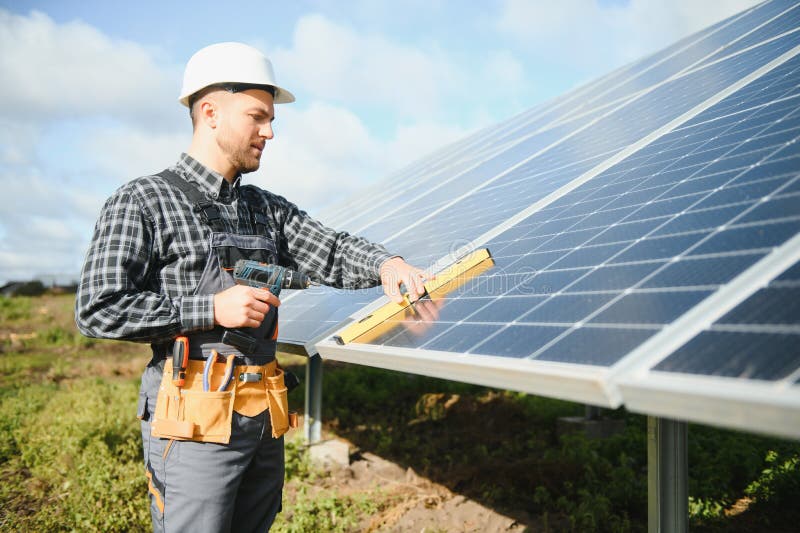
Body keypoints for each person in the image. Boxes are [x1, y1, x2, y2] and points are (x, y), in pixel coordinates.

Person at [75, 41, 429, 532]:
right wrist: (210, 309)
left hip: (263, 411)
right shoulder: (143, 200)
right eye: (258, 116)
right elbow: (99, 307)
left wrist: (388, 264)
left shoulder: (267, 208)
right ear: (211, 112)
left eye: (271, 120)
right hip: (193, 418)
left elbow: (331, 249)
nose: (269, 132)